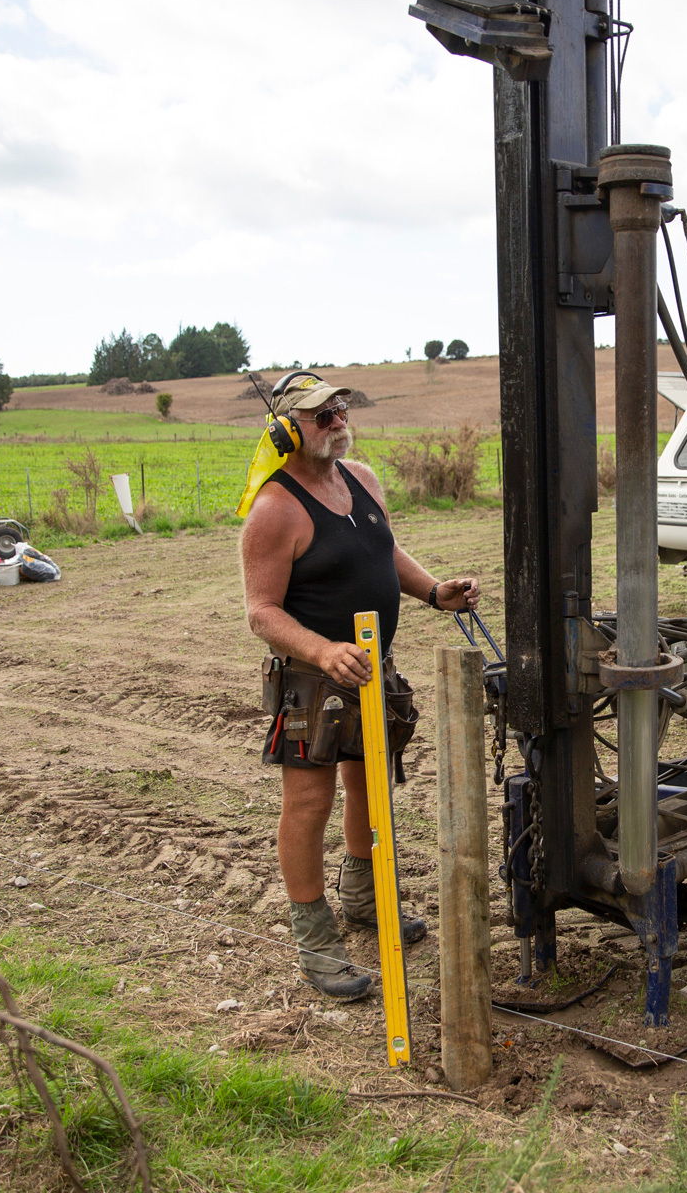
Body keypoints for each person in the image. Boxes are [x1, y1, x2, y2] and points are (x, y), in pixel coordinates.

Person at [240, 374, 480, 1001]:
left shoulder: (362, 479)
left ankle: (364, 898)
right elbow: (261, 612)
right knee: (308, 804)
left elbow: (384, 553)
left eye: (340, 408)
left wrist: (434, 591)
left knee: (370, 787)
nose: (338, 420)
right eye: (321, 415)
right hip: (311, 680)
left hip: (372, 668)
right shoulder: (275, 509)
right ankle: (315, 939)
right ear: (287, 430)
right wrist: (323, 650)